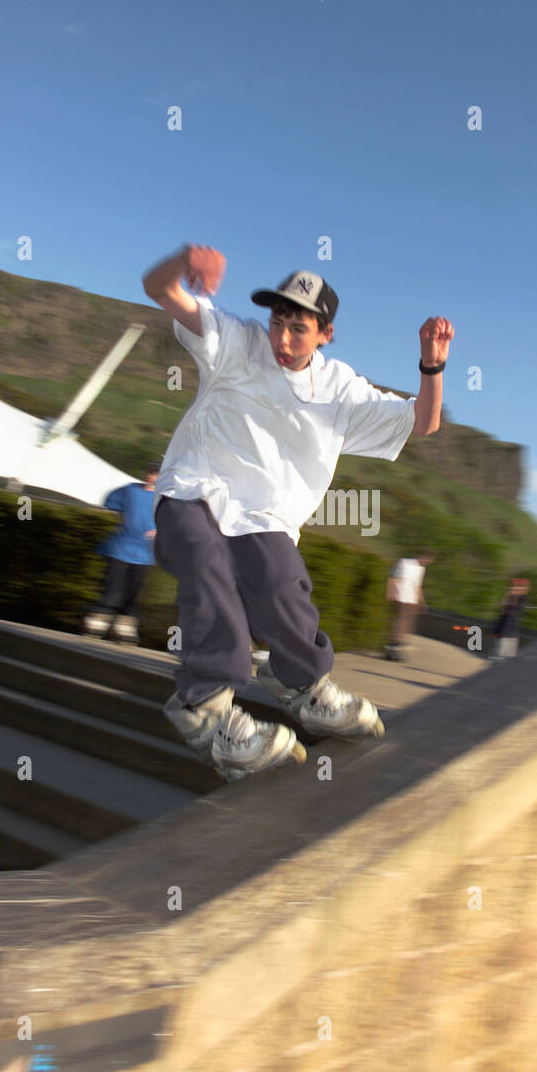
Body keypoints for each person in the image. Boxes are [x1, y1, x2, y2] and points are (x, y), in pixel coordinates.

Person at [142, 241, 454, 780]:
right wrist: (184, 260)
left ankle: (303, 688)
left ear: (325, 334)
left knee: (283, 583)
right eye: (277, 322)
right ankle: (205, 711)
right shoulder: (234, 342)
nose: (282, 339)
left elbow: (422, 423)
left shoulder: (341, 391)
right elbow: (159, 289)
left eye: (299, 329)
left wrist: (432, 365)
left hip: (264, 519)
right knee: (206, 563)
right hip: (192, 492)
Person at [82, 466, 159, 643]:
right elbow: (111, 502)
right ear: (147, 474)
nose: (153, 477)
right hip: (122, 546)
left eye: (157, 474)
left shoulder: (166, 498)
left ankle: (125, 626)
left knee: (134, 589)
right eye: (151, 472)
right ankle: (98, 622)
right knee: (113, 585)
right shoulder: (130, 490)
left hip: (145, 552)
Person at [385, 551, 433, 659]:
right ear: (421, 556)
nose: (427, 563)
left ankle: (397, 647)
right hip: (401, 596)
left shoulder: (421, 569)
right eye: (426, 560)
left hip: (411, 599)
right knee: (399, 623)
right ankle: (392, 647)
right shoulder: (404, 563)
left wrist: (421, 601)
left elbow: (417, 586)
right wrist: (390, 593)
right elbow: (393, 578)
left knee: (408, 625)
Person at [490, 576, 530, 660]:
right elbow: (504, 608)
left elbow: (515, 611)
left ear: (523, 588)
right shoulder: (512, 597)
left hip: (510, 635)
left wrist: (512, 596)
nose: (513, 587)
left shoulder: (523, 598)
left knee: (502, 660)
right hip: (502, 632)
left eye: (517, 585)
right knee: (495, 658)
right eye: (513, 585)